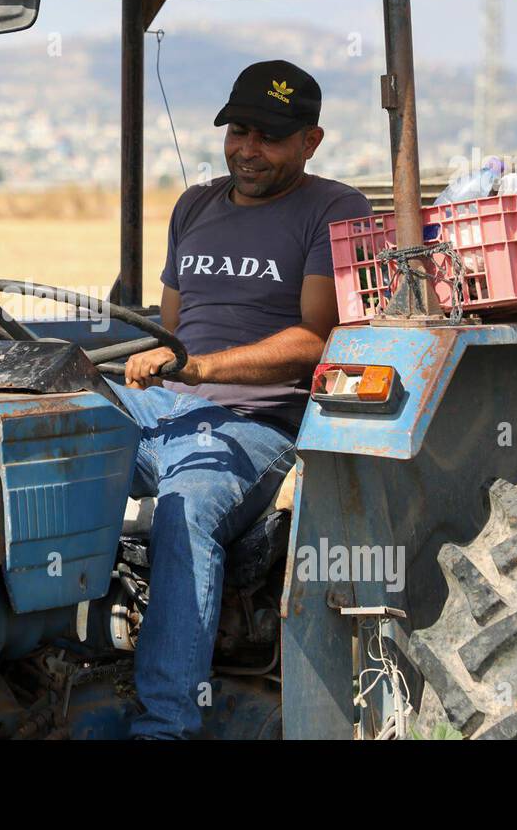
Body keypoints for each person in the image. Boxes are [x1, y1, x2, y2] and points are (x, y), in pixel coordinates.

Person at [111, 59, 373, 739]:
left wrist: (198, 369)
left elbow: (316, 339)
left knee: (186, 507)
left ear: (310, 141)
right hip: (165, 406)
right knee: (36, 439)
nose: (247, 150)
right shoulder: (195, 204)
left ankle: (165, 724)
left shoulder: (333, 209)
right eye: (238, 131)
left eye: (269, 137)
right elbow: (172, 325)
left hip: (254, 420)